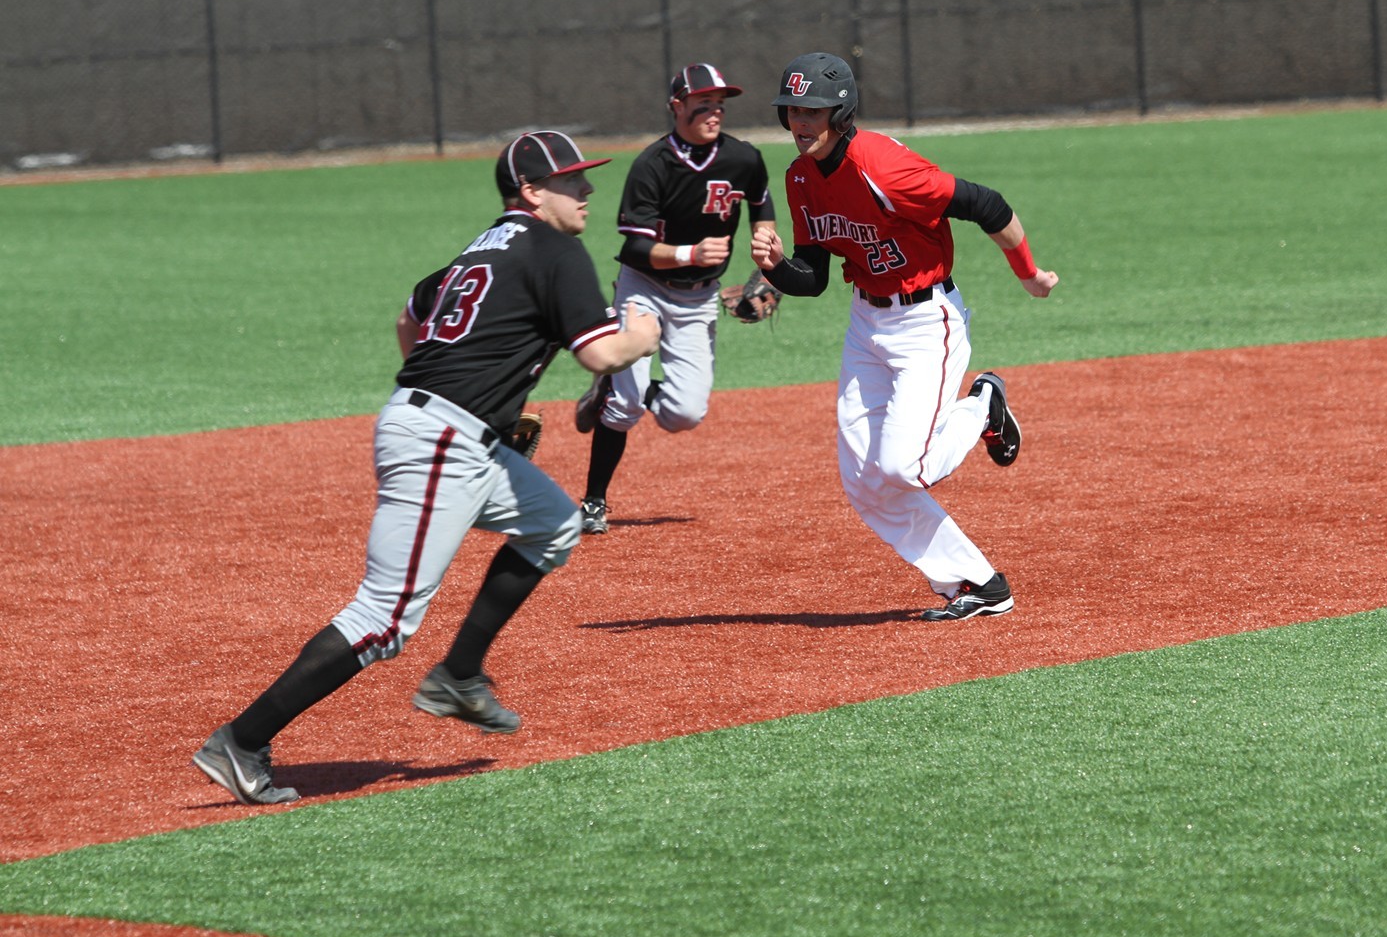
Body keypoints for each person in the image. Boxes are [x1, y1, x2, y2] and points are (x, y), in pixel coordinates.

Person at [193, 131, 662, 805]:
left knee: (555, 523)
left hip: (442, 427)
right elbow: (599, 355)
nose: (585, 191)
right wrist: (644, 332)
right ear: (531, 191)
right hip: (442, 438)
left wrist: (470, 396)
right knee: (382, 620)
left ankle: (460, 674)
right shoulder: (556, 249)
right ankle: (240, 740)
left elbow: (409, 318)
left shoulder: (480, 247)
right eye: (570, 181)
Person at [754, 52, 1059, 621]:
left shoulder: (882, 167)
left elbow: (985, 204)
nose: (801, 122)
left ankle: (983, 406)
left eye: (813, 110)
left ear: (840, 112)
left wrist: (1030, 274)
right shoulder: (800, 179)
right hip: (866, 324)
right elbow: (813, 276)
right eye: (792, 109)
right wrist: (775, 269)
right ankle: (976, 585)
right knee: (864, 481)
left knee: (901, 469)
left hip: (926, 322)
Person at [572, 62, 779, 535]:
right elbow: (635, 247)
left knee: (684, 415)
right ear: (677, 106)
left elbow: (762, 210)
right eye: (703, 102)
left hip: (698, 298)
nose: (714, 111)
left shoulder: (743, 158)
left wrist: (767, 261)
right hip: (643, 286)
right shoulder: (653, 165)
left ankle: (617, 385)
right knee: (624, 409)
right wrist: (690, 253)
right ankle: (594, 501)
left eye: (720, 104)